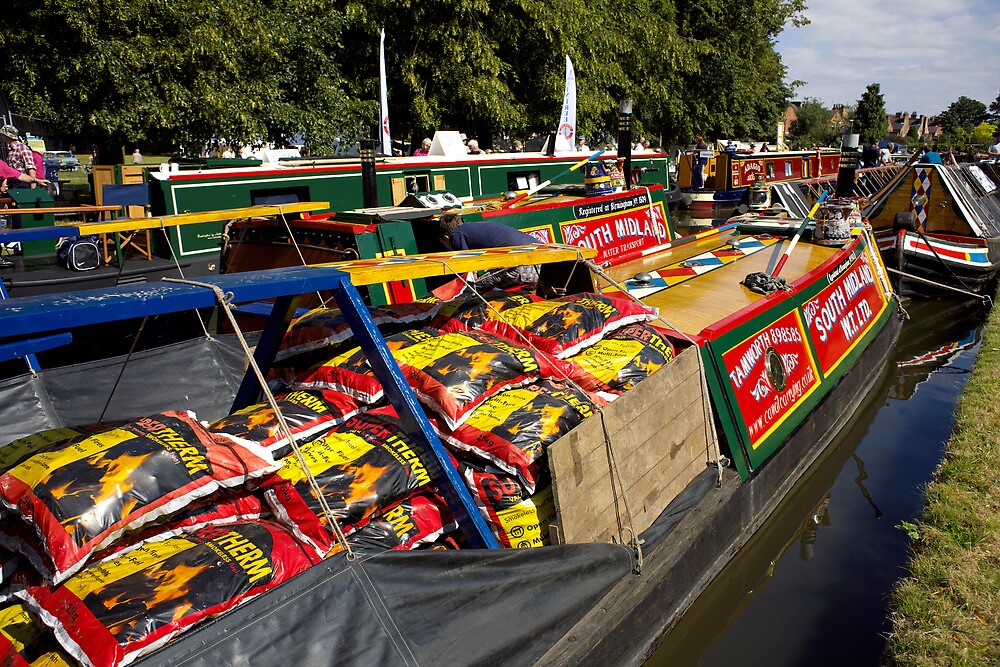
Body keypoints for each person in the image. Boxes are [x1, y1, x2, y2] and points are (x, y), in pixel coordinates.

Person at [438, 211, 540, 288]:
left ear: (446, 238)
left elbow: (468, 269)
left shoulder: (456, 234)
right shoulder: (473, 228)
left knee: (474, 289)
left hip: (523, 268)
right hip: (541, 265)